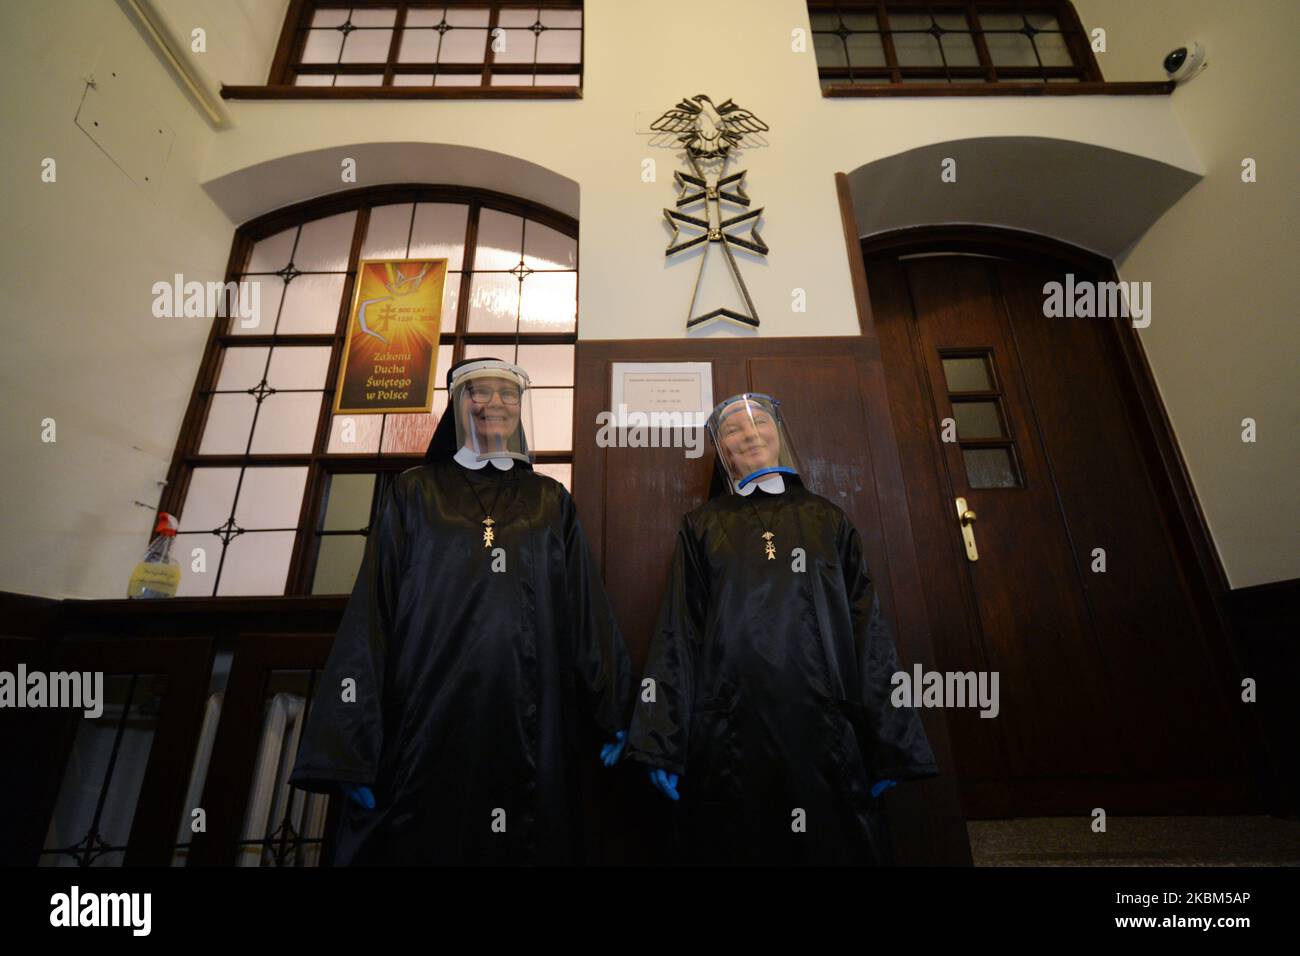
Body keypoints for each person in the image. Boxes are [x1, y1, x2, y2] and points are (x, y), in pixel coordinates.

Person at [290, 357, 631, 865]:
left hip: (529, 711)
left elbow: (585, 609)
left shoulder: (548, 500)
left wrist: (617, 709)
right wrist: (349, 745)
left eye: (507, 394)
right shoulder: (415, 491)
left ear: (521, 407)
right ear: (457, 406)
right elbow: (373, 611)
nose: (495, 403)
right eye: (480, 392)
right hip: (426, 711)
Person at [622, 393, 938, 864]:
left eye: (758, 423)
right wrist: (660, 740)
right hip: (731, 729)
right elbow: (678, 632)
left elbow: (866, 628)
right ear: (722, 451)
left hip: (826, 725)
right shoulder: (702, 526)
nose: (748, 433)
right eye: (732, 430)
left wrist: (889, 738)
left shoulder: (828, 519)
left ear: (778, 434)